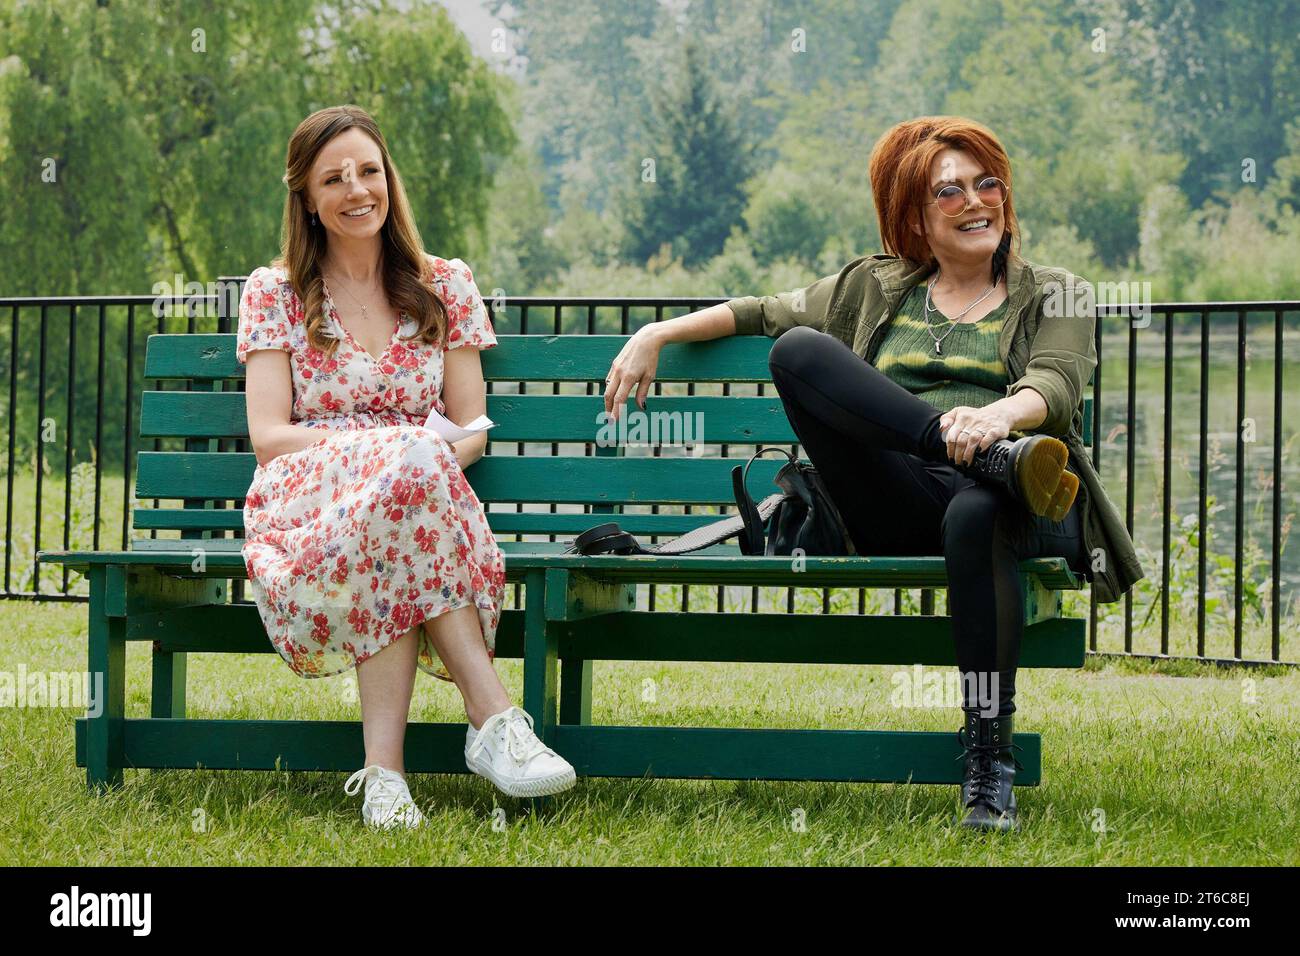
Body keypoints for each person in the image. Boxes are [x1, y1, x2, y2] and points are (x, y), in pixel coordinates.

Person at [601, 116, 1144, 832]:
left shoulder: (1054, 291)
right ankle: (960, 449)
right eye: (950, 192)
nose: (976, 201)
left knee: (977, 509)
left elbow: (1056, 383)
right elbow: (761, 313)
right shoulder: (874, 286)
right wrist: (655, 332)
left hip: (1022, 497)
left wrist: (998, 420)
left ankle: (988, 761)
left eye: (988, 183)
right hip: (903, 499)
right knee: (798, 350)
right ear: (914, 219)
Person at [237, 105, 575, 830]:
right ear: (307, 198)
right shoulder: (275, 290)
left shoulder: (445, 283)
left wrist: (411, 463)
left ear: (389, 179)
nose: (357, 189)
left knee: (403, 499)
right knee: (409, 471)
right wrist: (393, 450)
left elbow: (471, 428)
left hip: (419, 500)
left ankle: (385, 780)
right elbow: (268, 437)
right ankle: (493, 719)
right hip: (307, 503)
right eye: (334, 178)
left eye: (369, 171)